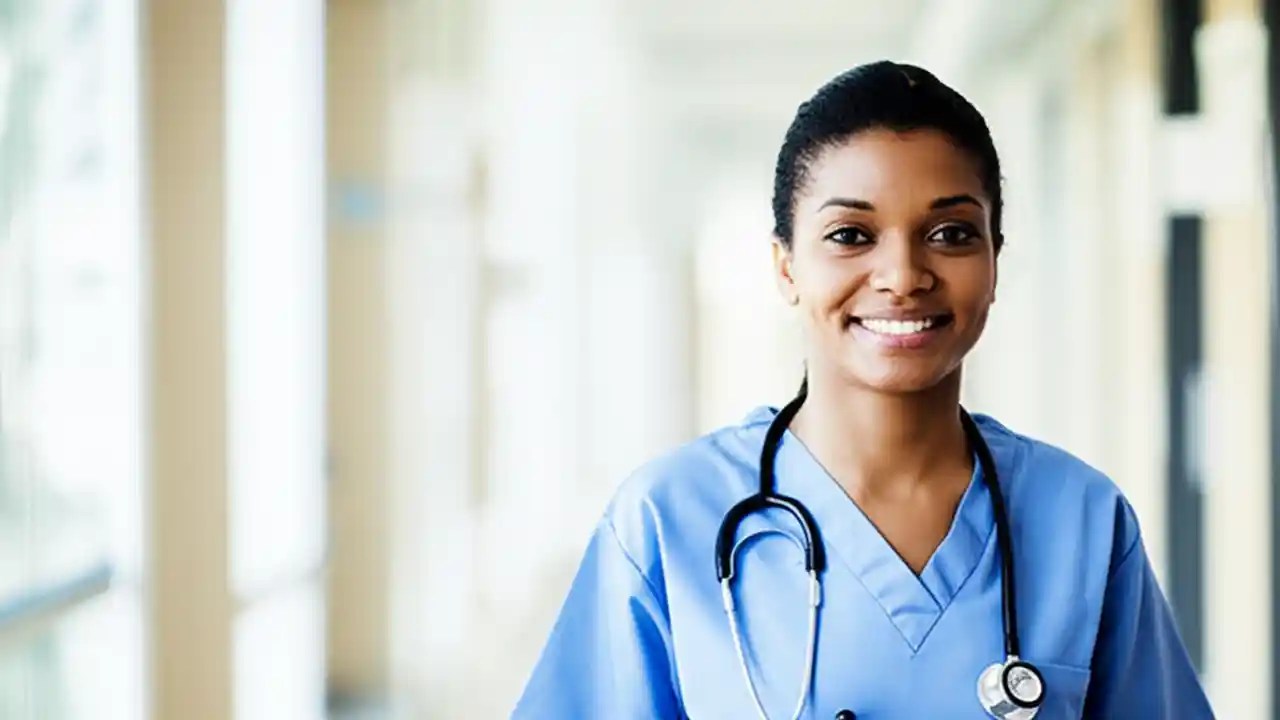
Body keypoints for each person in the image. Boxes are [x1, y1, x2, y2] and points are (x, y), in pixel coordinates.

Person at [511, 61, 1214, 719]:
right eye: (851, 235)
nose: (903, 275)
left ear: (995, 260)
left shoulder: (1082, 519)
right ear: (786, 267)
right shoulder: (668, 520)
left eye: (951, 233)